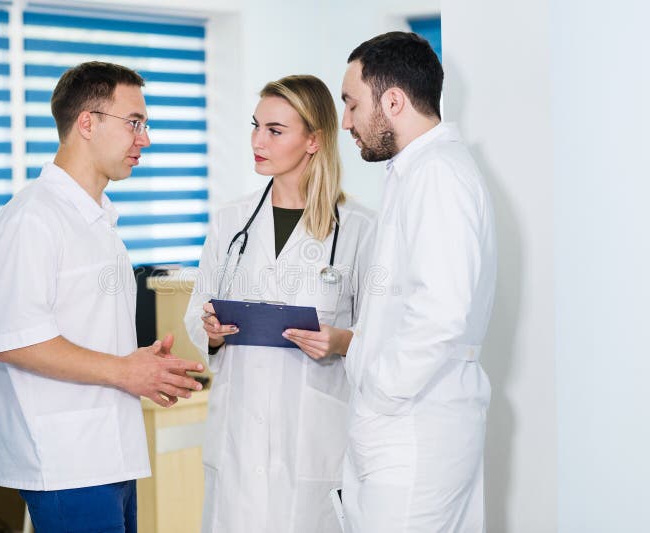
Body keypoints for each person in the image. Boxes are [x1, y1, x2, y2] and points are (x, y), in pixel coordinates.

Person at [0, 61, 205, 533]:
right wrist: (126, 370)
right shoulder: (32, 219)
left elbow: (83, 329)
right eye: (134, 123)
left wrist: (142, 364)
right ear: (87, 123)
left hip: (110, 456)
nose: (145, 139)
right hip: (67, 464)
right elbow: (17, 340)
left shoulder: (98, 220)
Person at [184, 75, 376, 533]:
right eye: (256, 126)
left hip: (312, 440)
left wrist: (341, 341)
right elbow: (197, 310)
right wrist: (210, 333)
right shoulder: (230, 221)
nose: (257, 141)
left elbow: (381, 336)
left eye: (274, 130)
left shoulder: (360, 228)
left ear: (314, 140)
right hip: (237, 439)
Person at [339, 32, 497, 532]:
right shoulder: (416, 171)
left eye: (351, 103)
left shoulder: (437, 174)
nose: (345, 121)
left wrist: (381, 391)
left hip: (414, 427)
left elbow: (441, 311)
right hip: (411, 424)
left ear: (393, 101)